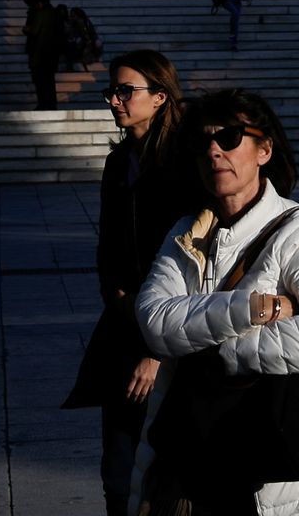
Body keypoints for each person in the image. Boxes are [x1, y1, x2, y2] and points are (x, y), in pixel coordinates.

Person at [130, 88, 299, 515]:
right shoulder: (187, 233)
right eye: (202, 141)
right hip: (191, 449)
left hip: (271, 464)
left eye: (229, 138)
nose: (213, 151)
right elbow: (154, 322)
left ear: (264, 150)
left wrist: (220, 348)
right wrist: (255, 310)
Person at [63, 51, 201, 516]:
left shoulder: (187, 163)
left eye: (127, 91)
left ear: (160, 97)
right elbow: (109, 247)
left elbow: (198, 262)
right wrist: (117, 297)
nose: (115, 100)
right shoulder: (119, 161)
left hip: (177, 331)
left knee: (173, 463)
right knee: (117, 462)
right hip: (124, 324)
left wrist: (158, 349)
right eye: (113, 91)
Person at [23, 0, 64, 110]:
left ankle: (44, 104)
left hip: (40, 54)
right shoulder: (53, 12)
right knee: (49, 81)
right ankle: (51, 104)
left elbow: (34, 31)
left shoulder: (40, 13)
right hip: (51, 53)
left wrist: (27, 29)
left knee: (41, 81)